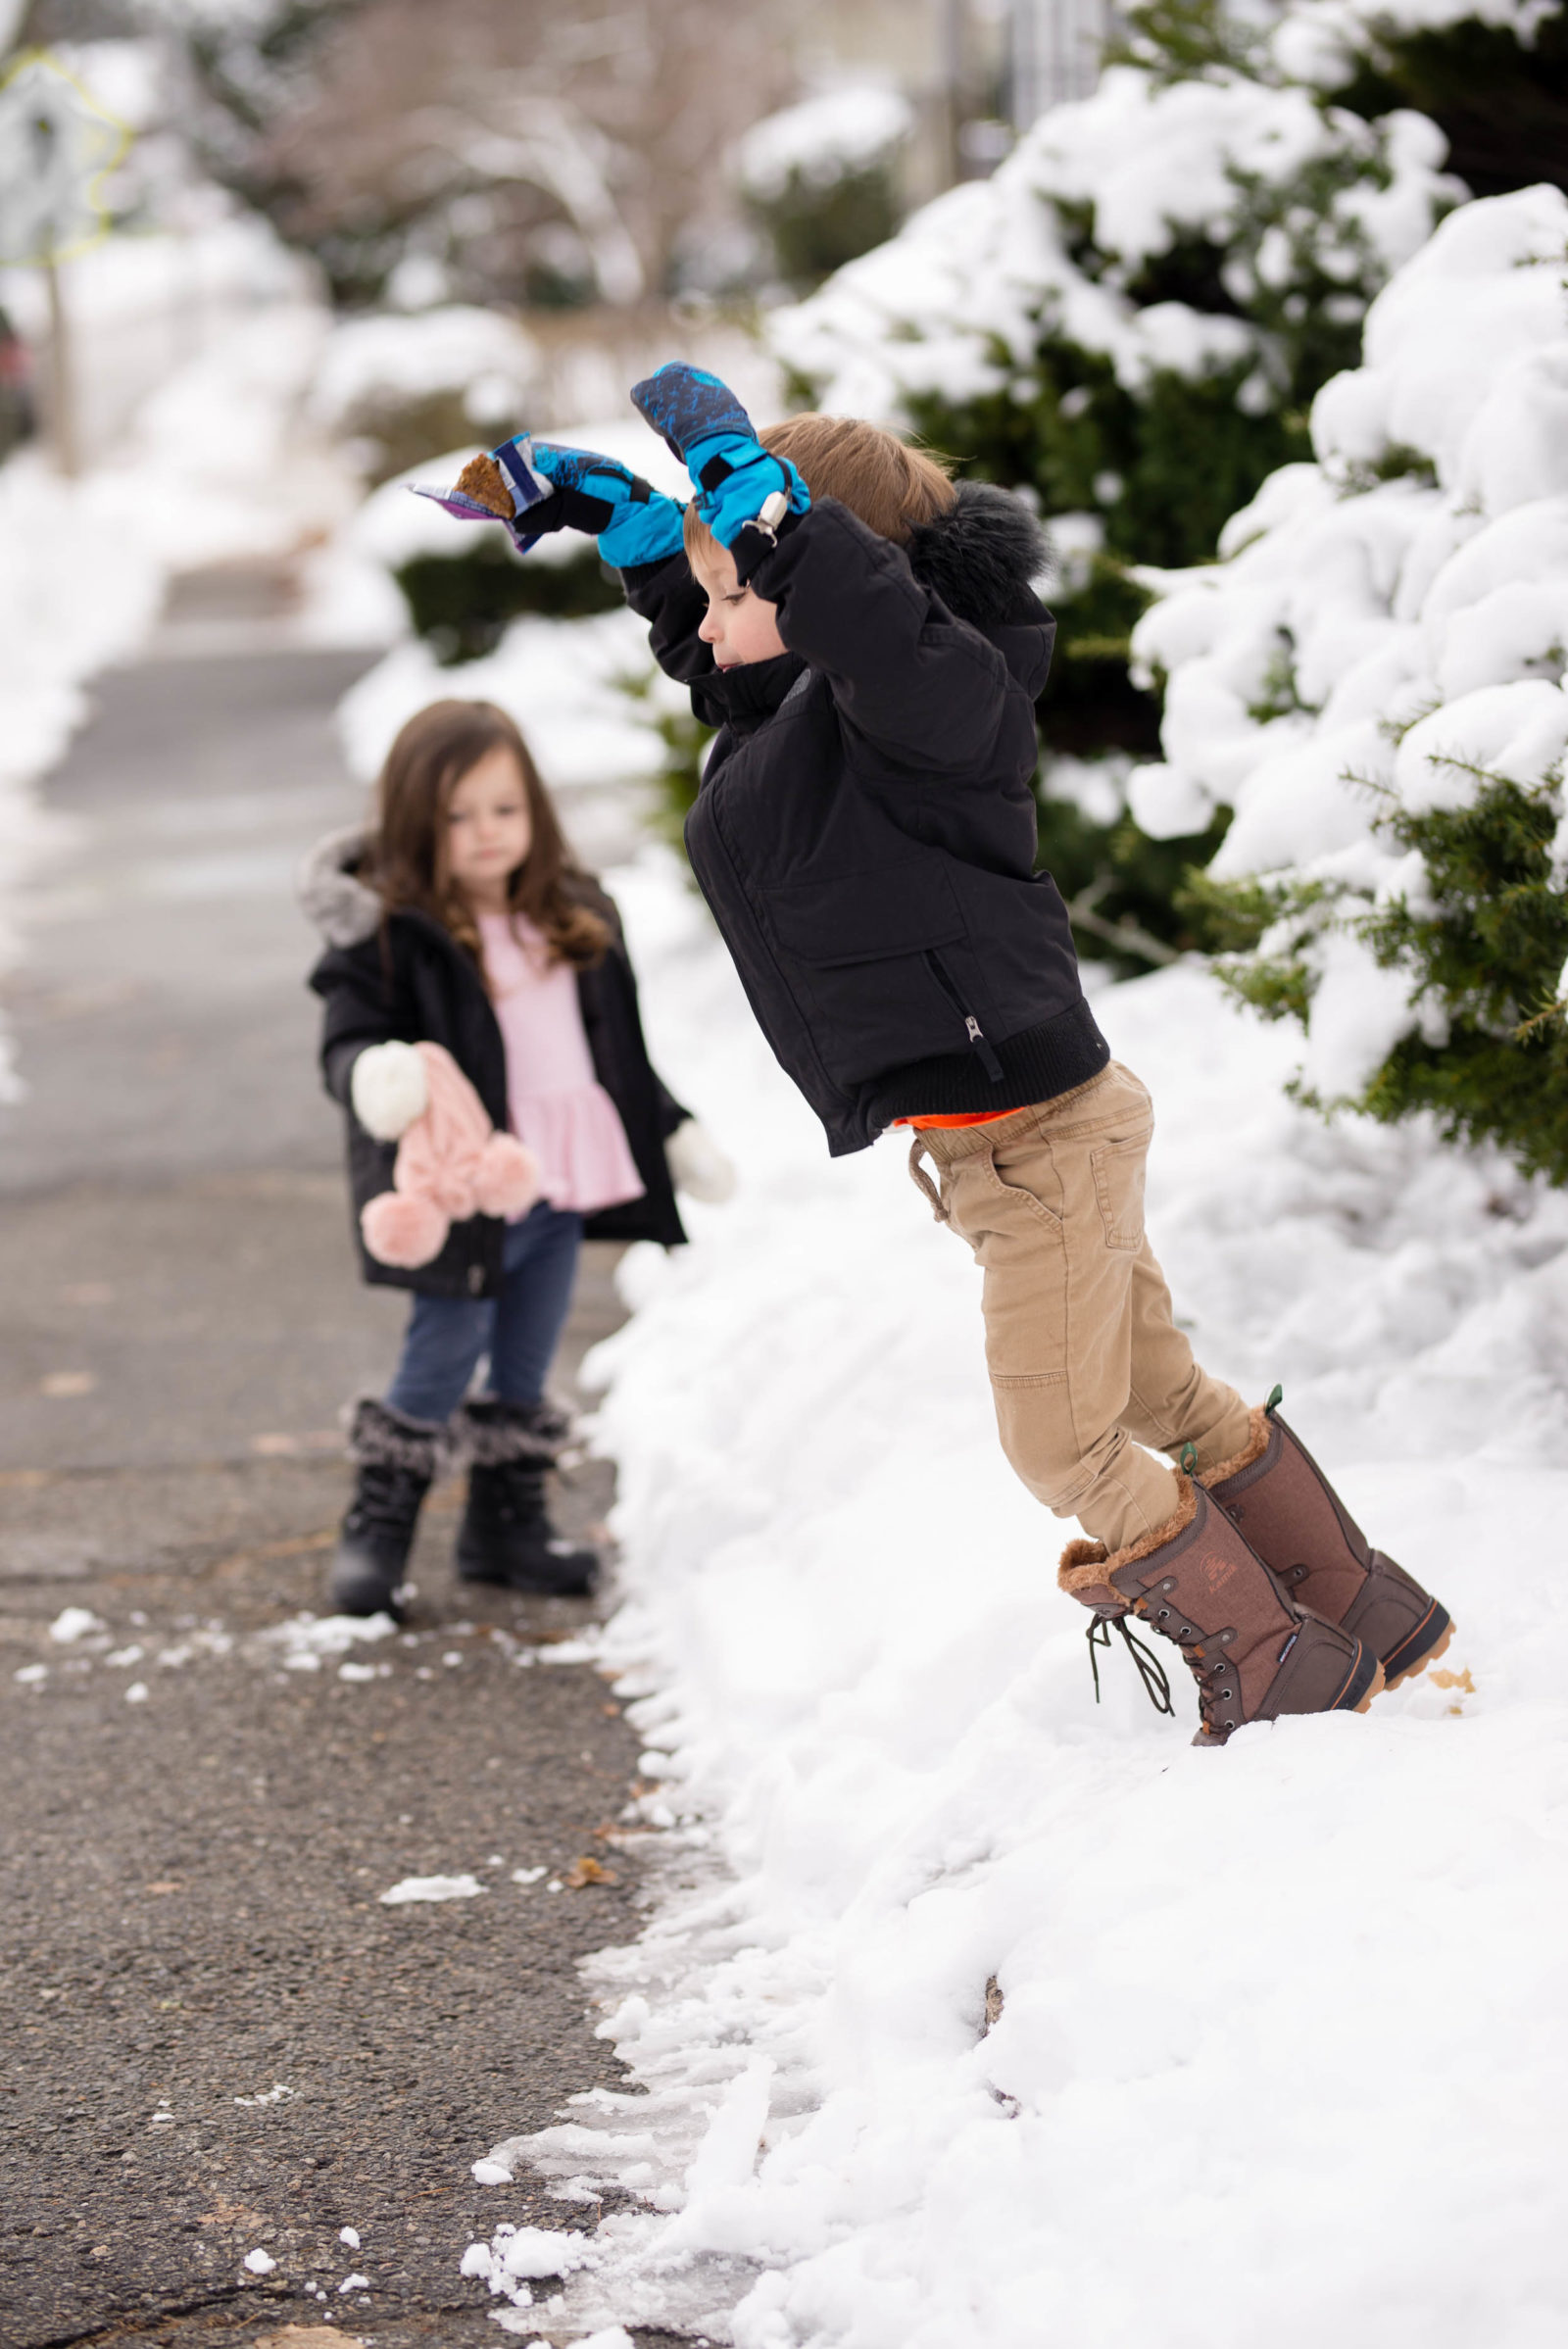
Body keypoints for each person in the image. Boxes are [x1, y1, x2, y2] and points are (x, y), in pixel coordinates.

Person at [443, 378, 1452, 1745]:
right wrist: (643, 547)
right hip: (1016, 1137)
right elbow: (750, 660)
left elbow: (857, 633)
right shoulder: (814, 709)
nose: (716, 629)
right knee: (1157, 1391)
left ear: (827, 570)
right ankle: (1360, 1609)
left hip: (1036, 1135)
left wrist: (778, 527)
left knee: (1063, 1445)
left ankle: (1275, 1662)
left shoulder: (939, 703)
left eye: (741, 588)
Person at [300, 697, 730, 1620]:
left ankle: (504, 1525)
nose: (485, 833)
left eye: (503, 808)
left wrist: (673, 1126)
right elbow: (349, 1039)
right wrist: (374, 1071)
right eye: (457, 816)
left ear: (533, 809)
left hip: (560, 1184)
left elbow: (620, 1055)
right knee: (444, 1348)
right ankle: (377, 1524)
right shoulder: (394, 937)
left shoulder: (571, 917)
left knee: (528, 1355)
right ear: (419, 825)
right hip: (466, 1189)